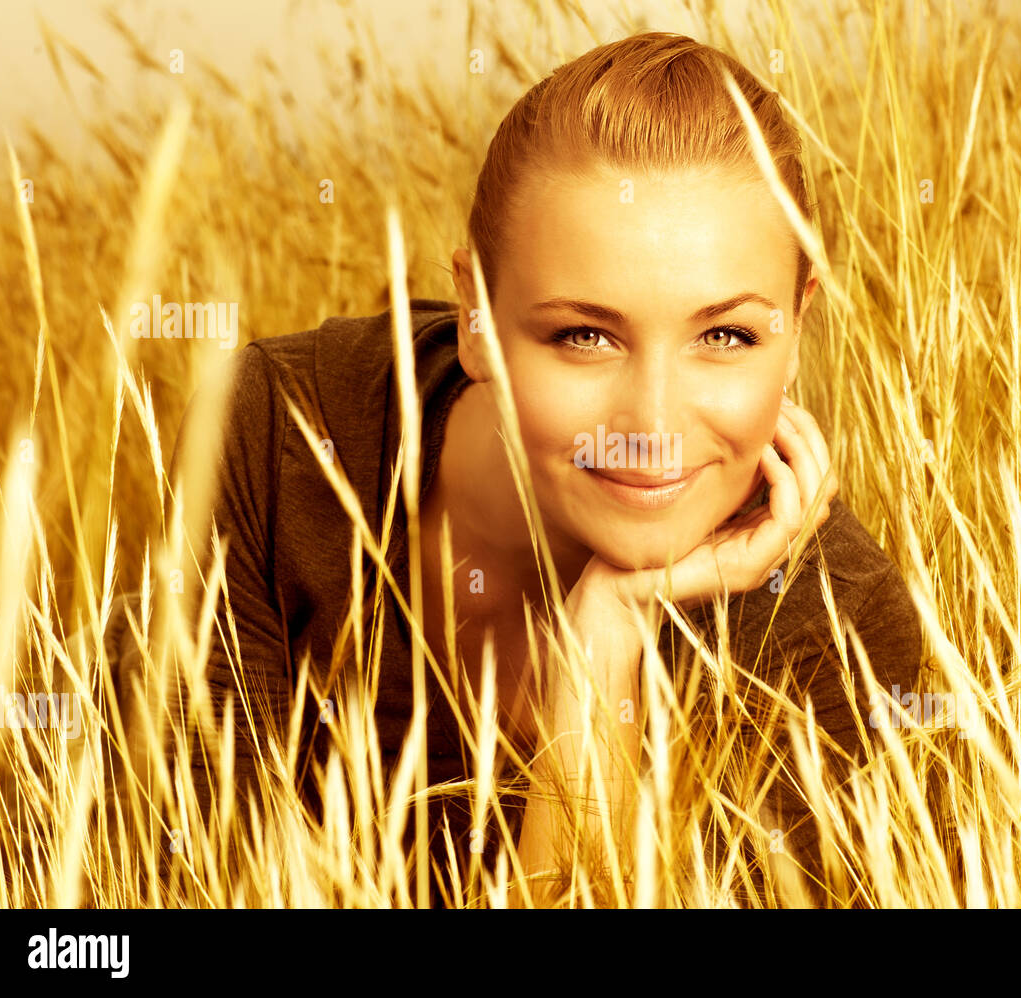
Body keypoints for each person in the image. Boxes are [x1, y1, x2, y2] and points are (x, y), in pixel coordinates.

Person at [131, 30, 924, 907]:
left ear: (797, 325)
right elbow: (173, 889)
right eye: (584, 336)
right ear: (477, 317)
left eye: (725, 336)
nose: (652, 426)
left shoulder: (836, 633)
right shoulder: (281, 439)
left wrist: (604, 638)